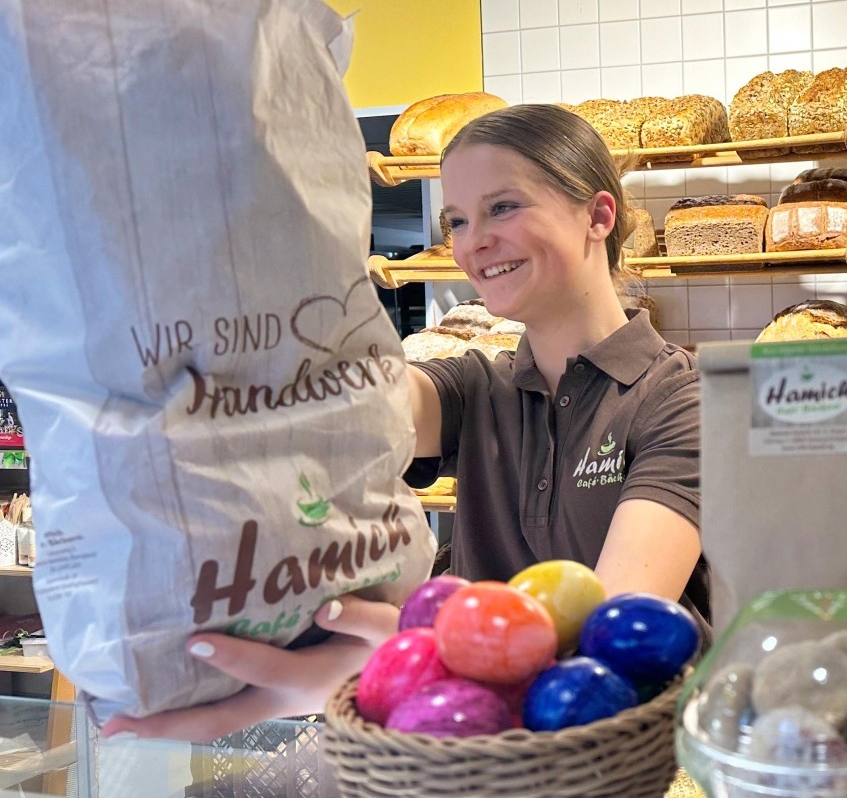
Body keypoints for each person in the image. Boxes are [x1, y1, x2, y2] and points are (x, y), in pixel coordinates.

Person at [103, 104, 706, 741]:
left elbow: (605, 646)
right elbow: (343, 409)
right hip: (473, 759)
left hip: (638, 764)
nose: (473, 242)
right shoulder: (478, 388)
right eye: (457, 220)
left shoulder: (676, 398)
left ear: (598, 215)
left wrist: (394, 656)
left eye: (503, 207)